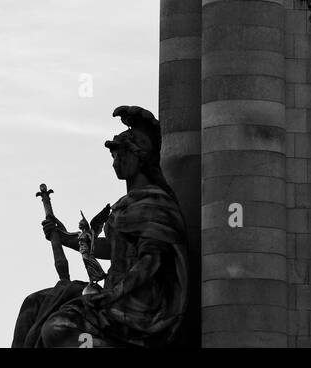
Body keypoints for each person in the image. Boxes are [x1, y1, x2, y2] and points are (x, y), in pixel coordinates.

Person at [11, 106, 187, 349]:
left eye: (120, 156)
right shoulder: (126, 205)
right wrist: (64, 238)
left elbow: (152, 263)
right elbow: (112, 249)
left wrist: (113, 295)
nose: (115, 162)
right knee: (35, 305)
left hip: (138, 306)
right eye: (114, 157)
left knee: (57, 328)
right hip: (113, 295)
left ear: (139, 158)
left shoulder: (155, 204)